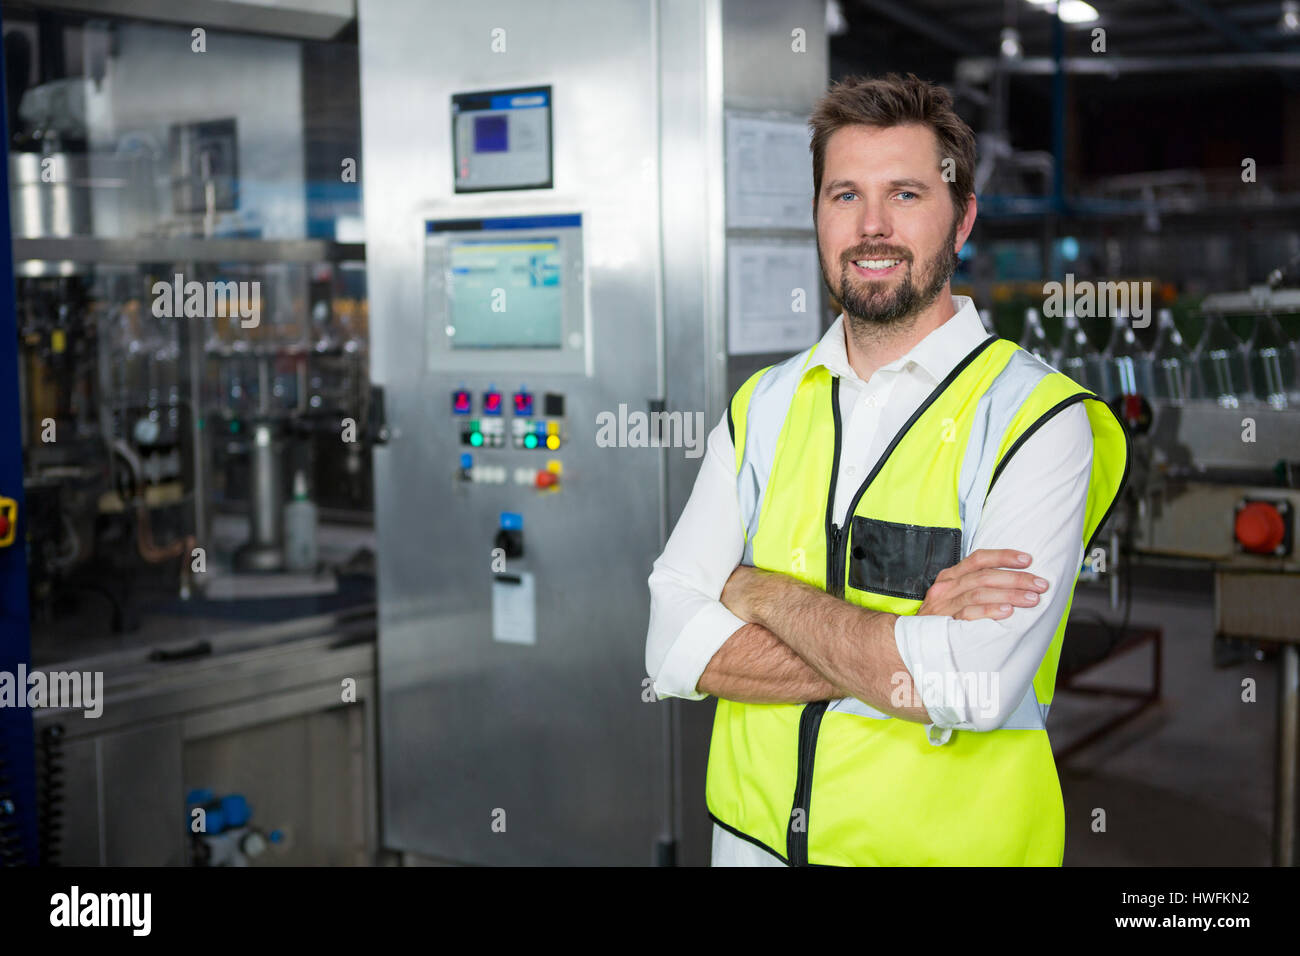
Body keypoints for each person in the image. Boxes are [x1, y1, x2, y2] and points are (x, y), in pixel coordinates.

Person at [644, 73, 1129, 867]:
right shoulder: (763, 405)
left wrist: (753, 590)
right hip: (750, 848)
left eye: (905, 194)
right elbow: (669, 646)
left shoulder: (1038, 421)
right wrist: (909, 641)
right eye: (844, 196)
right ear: (816, 215)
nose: (872, 227)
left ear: (962, 218)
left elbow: (968, 688)